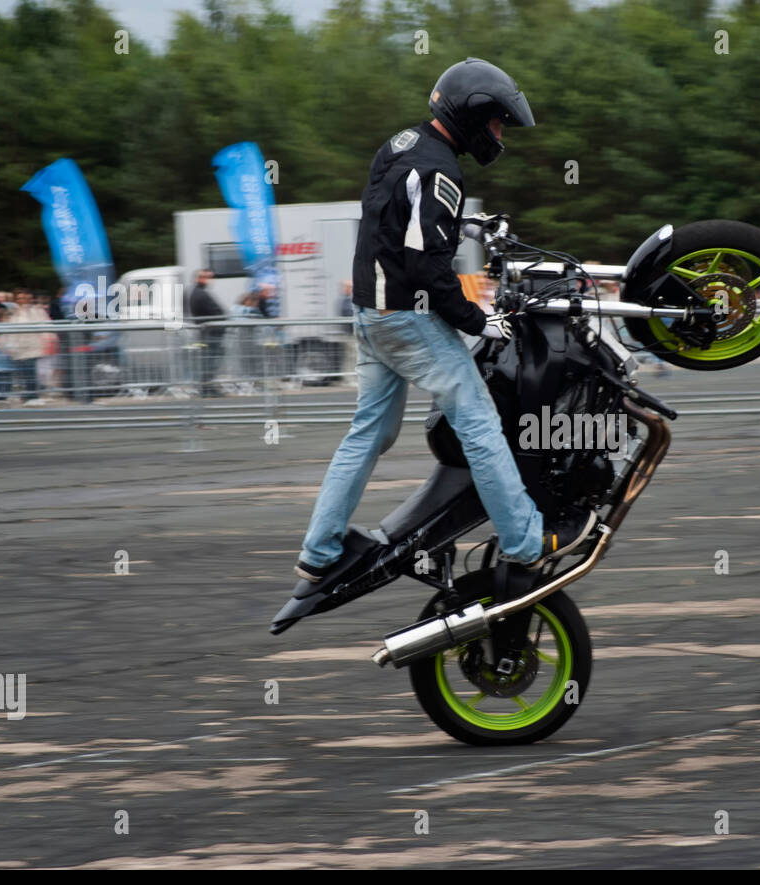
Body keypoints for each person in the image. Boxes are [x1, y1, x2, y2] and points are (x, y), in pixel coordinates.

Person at [294, 58, 597, 583]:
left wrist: (461, 225)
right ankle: (527, 541)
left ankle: (319, 550)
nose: (500, 134)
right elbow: (428, 270)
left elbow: (392, 223)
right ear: (474, 115)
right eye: (499, 123)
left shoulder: (402, 144)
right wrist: (478, 320)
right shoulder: (442, 171)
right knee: (479, 421)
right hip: (404, 320)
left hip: (370, 312)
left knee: (369, 432)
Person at [187, 269, 225, 397]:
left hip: (209, 332)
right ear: (199, 278)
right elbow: (215, 312)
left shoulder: (198, 292)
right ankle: (206, 388)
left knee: (208, 361)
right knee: (209, 361)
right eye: (206, 277)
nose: (209, 280)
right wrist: (224, 320)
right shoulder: (200, 294)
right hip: (211, 333)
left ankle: (206, 387)